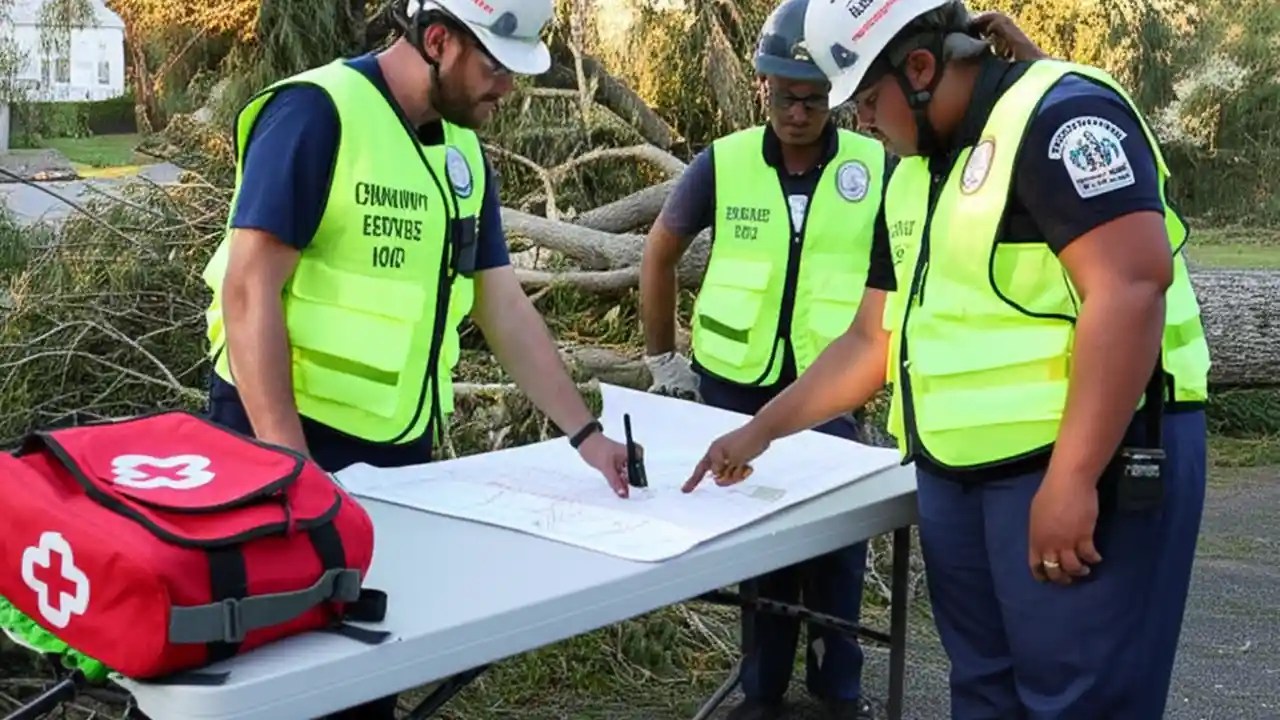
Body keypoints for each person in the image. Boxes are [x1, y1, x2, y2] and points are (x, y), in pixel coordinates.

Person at [683, 1, 1211, 718]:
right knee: (984, 690)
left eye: (868, 100)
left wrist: (1074, 478)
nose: (862, 124)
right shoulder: (913, 174)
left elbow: (1130, 288)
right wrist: (758, 433)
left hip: (1085, 465)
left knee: (1080, 698)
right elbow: (872, 343)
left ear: (922, 68)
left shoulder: (1060, 116)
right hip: (960, 479)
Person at [200, 1, 639, 717]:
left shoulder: (462, 154)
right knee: (272, 684)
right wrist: (294, 472)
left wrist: (585, 436)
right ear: (437, 40)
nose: (508, 90)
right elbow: (250, 293)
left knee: (365, 680)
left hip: (396, 459)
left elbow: (502, 306)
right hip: (280, 449)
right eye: (496, 68)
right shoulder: (319, 114)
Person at [639, 1, 895, 717]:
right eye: (787, 97)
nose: (799, 113)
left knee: (837, 548)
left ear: (836, 98)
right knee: (759, 549)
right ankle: (763, 689)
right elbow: (659, 254)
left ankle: (837, 687)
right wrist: (664, 363)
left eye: (815, 99)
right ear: (763, 87)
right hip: (734, 387)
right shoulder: (722, 163)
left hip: (830, 388)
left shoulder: (877, 168)